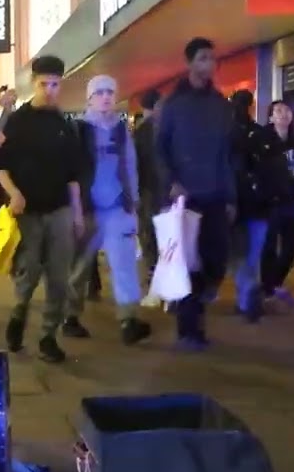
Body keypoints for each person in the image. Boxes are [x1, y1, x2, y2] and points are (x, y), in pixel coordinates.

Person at [0, 55, 85, 363]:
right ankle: (19, 313)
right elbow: (0, 168)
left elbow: (73, 175)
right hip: (28, 212)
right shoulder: (18, 122)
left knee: (59, 277)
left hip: (59, 209)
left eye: (55, 84)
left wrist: (76, 214)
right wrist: (14, 193)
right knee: (28, 272)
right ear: (33, 84)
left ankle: (48, 335)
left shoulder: (64, 125)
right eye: (43, 84)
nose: (49, 90)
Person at [154, 37, 237, 349]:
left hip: (215, 193)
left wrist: (230, 197)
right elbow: (159, 150)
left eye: (212, 59)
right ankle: (189, 329)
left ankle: (195, 306)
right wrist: (171, 183)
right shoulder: (172, 105)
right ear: (189, 63)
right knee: (188, 264)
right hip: (184, 196)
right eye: (202, 58)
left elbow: (228, 155)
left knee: (216, 261)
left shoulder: (220, 105)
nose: (209, 64)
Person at [63, 74, 151, 345]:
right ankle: (70, 317)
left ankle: (128, 319)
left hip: (117, 208)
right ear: (89, 98)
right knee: (77, 268)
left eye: (109, 92)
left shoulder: (121, 130)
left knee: (124, 264)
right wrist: (74, 207)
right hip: (87, 209)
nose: (104, 96)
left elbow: (130, 165)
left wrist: (132, 202)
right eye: (99, 92)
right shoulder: (78, 129)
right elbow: (70, 171)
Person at [228, 90, 274, 322]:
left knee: (239, 254)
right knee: (252, 253)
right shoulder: (260, 133)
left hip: (235, 202)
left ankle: (245, 295)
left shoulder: (225, 134)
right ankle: (248, 294)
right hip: (257, 202)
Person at [259, 99, 294, 307]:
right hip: (270, 201)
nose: (284, 114)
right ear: (270, 117)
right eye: (278, 111)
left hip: (290, 200)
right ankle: (268, 287)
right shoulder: (263, 142)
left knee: (291, 248)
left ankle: (274, 282)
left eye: (287, 110)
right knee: (269, 247)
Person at [134, 89, 163, 304]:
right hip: (160, 191)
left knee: (149, 237)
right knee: (162, 236)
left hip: (147, 191)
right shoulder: (161, 129)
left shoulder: (140, 132)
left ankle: (154, 278)